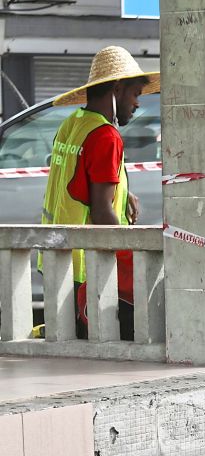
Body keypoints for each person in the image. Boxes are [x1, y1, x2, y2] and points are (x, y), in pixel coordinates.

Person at [42, 46, 158, 340]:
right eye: (135, 94)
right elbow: (101, 210)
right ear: (117, 89)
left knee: (64, 342)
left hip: (57, 253)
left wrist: (123, 193)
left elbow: (78, 179)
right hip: (86, 264)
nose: (136, 104)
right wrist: (127, 254)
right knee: (94, 343)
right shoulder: (106, 135)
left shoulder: (73, 123)